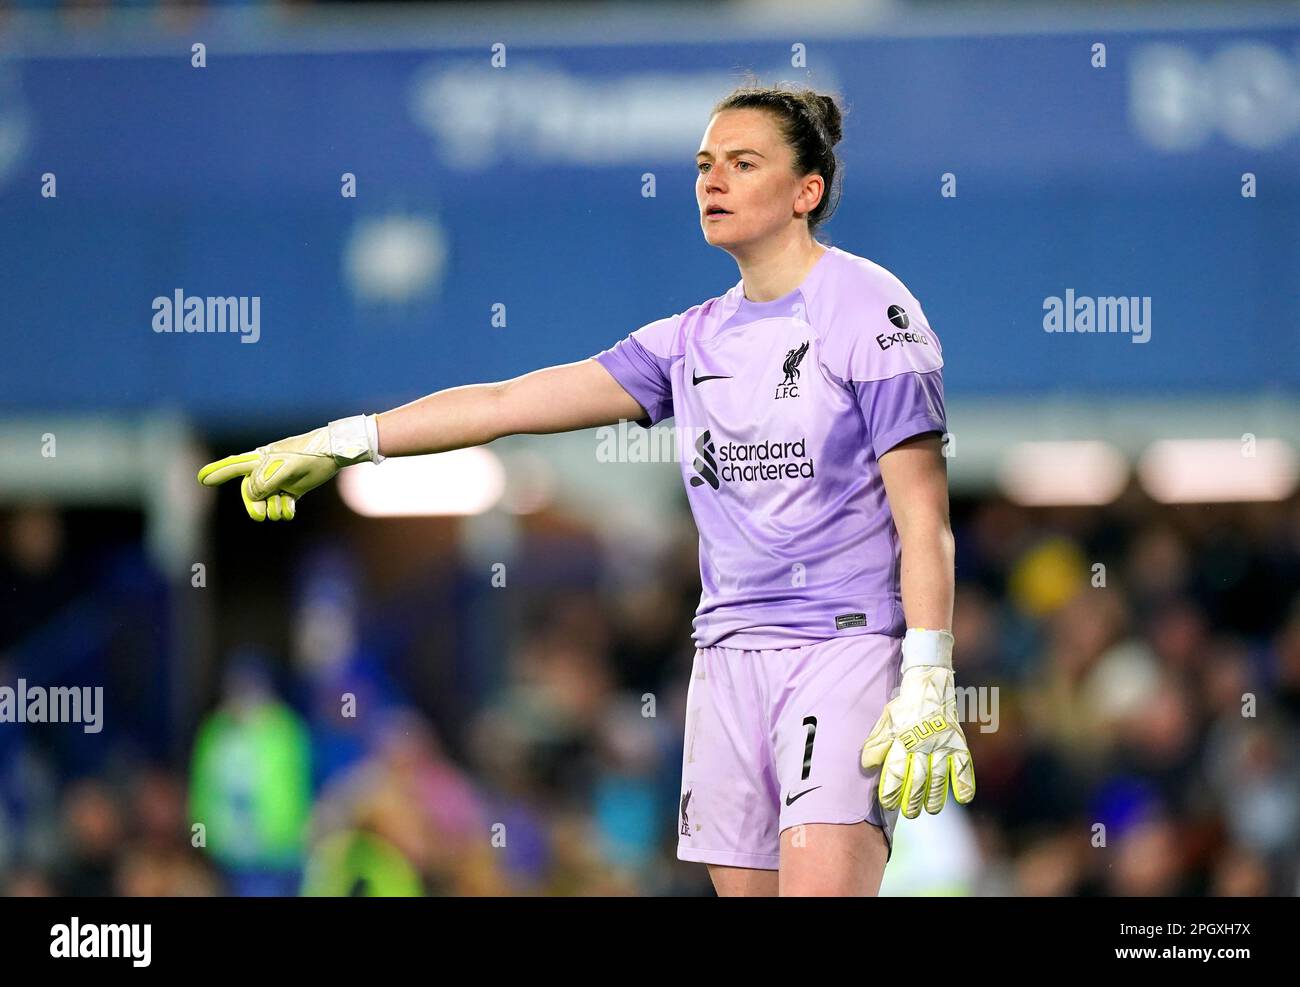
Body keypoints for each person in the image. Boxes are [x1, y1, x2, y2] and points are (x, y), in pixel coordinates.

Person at [197, 84, 975, 897]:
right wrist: (346, 440)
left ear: (806, 191)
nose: (713, 181)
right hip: (726, 660)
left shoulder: (872, 309)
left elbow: (924, 517)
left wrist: (927, 671)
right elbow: (506, 405)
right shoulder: (690, 339)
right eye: (705, 164)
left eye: (743, 164)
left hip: (841, 647)